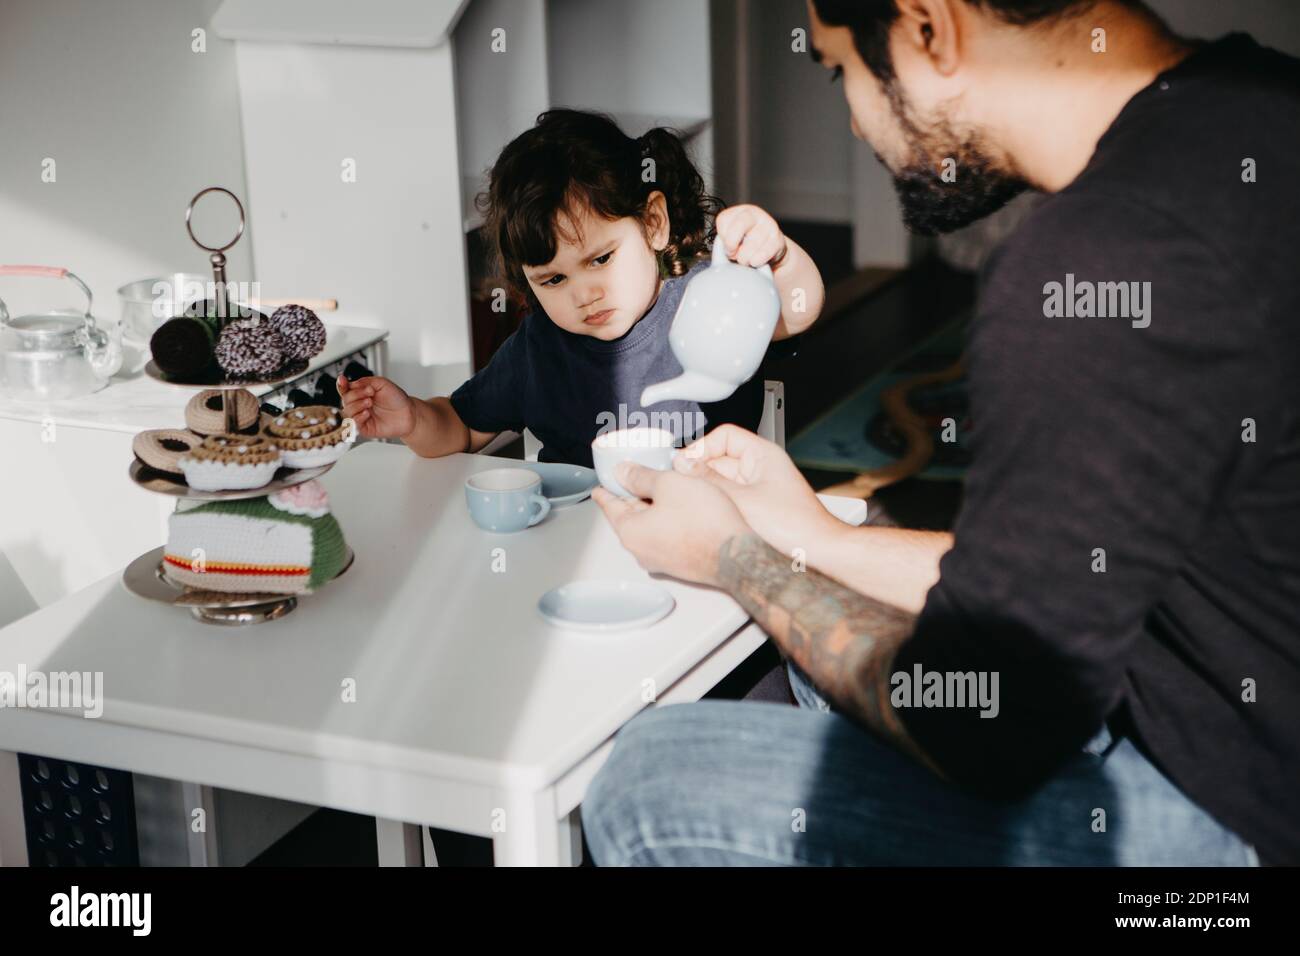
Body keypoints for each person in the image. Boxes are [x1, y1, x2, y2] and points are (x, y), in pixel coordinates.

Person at [583, 0, 1300, 865]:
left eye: (843, 69)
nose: (851, 116)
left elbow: (980, 726)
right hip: (1225, 698)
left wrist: (737, 560)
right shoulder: (1258, 101)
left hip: (1241, 836)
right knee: (820, 662)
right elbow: (1065, 576)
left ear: (929, 28)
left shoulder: (1096, 271)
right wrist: (812, 534)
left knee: (651, 779)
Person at [338, 109, 824, 467]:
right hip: (576, 556)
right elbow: (461, 428)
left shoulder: (704, 303)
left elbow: (797, 312)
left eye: (601, 259)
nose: (583, 293)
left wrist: (776, 255)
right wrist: (412, 419)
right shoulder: (538, 351)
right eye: (553, 279)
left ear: (653, 223)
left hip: (709, 545)